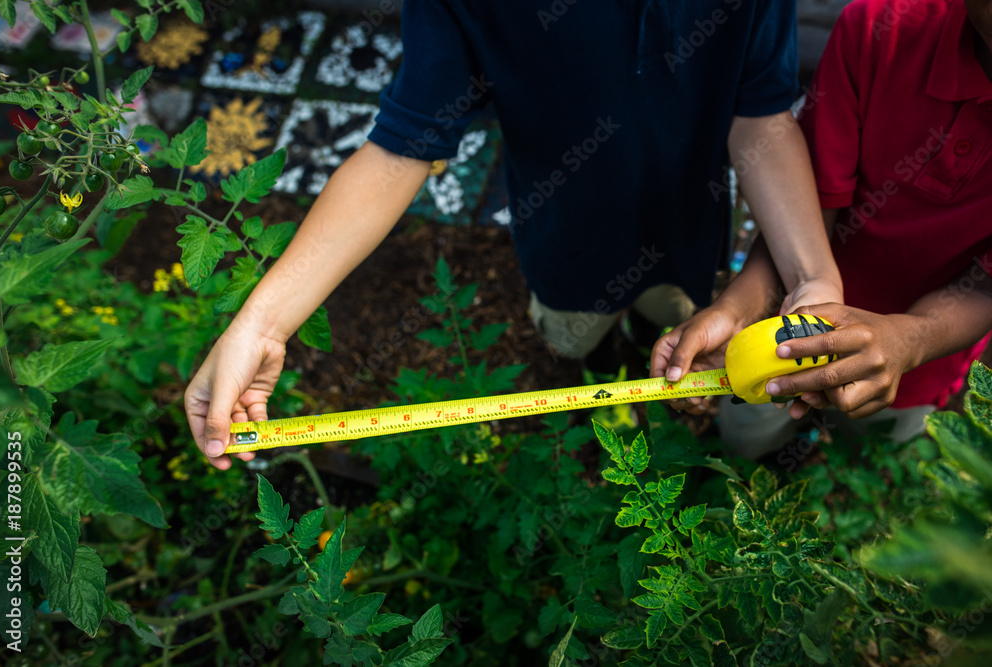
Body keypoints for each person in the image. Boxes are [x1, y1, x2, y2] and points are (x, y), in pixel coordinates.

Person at [185, 0, 844, 469]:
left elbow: (760, 115)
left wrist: (815, 277)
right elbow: (401, 147)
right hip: (564, 245)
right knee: (576, 330)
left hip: (689, 233)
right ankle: (602, 376)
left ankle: (640, 360)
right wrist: (262, 325)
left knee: (674, 319)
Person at [652, 0, 992, 459]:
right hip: (782, 328)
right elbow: (805, 199)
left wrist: (911, 340)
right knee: (746, 439)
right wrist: (743, 304)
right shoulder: (881, 27)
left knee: (867, 455)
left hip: (928, 354)